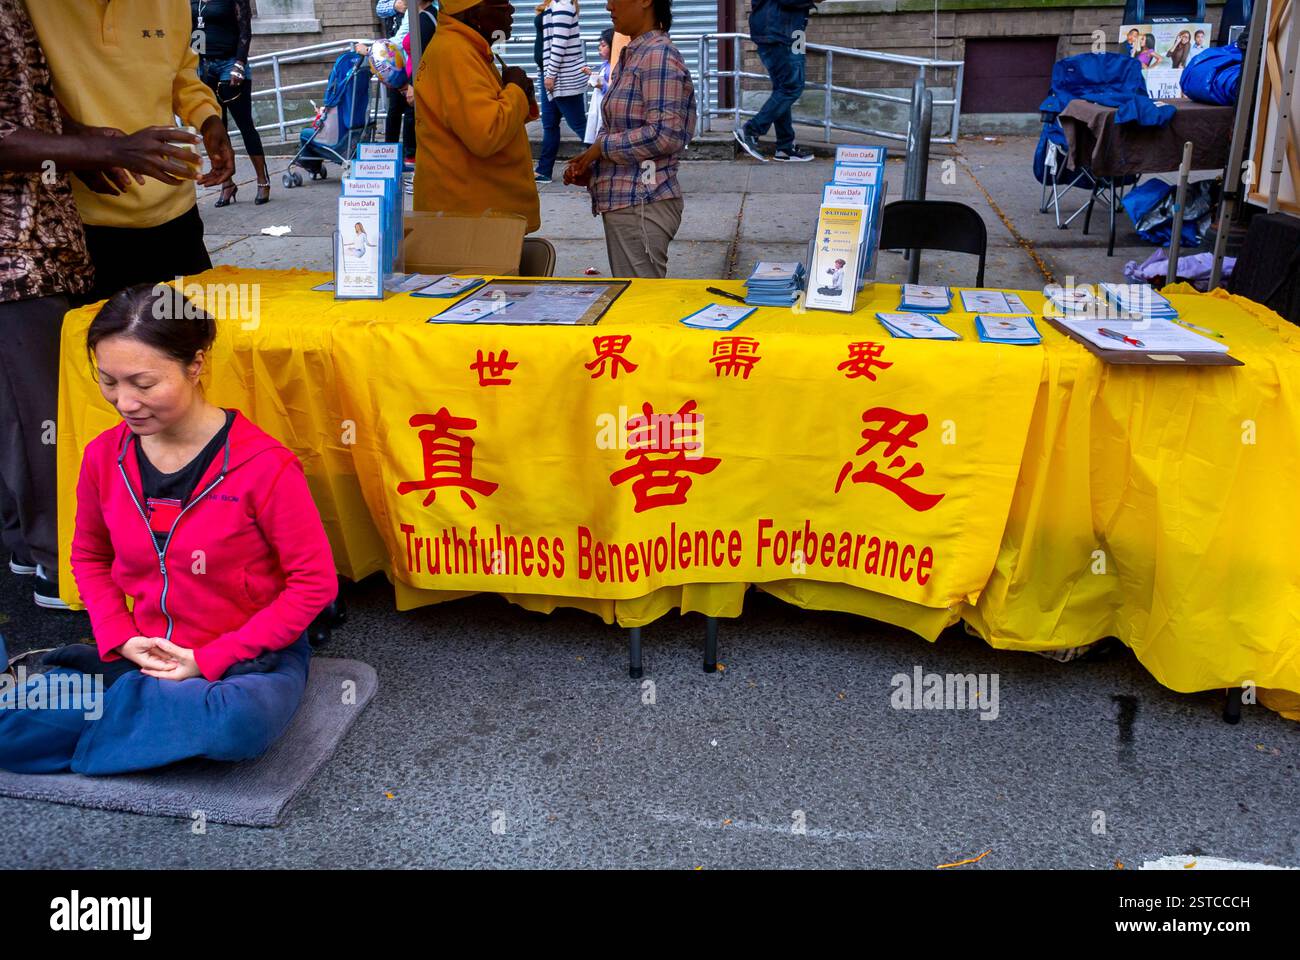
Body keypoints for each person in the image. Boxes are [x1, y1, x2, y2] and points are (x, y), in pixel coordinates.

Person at [0, 285, 338, 775]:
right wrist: (118, 637)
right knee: (8, 731)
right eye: (108, 381)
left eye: (143, 382)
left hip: (245, 662)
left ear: (196, 365)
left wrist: (210, 657)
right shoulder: (103, 456)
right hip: (143, 650)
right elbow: (89, 558)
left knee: (236, 725)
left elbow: (314, 586)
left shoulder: (265, 466)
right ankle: (142, 716)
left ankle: (108, 712)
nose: (125, 401)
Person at [0, 0, 203, 611]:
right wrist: (101, 154)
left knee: (27, 410)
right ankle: (57, 564)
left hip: (44, 242)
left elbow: (30, 101)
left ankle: (25, 541)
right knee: (41, 415)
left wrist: (83, 142)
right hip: (13, 255)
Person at [27, 1, 237, 302]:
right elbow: (24, 93)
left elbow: (181, 73)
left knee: (192, 335)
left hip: (174, 213)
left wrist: (208, 117)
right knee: (99, 341)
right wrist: (80, 146)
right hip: (84, 223)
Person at [564, 0, 695, 278]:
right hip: (628, 203)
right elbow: (623, 124)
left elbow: (664, 134)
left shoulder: (657, 55)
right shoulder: (635, 53)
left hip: (643, 203)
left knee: (642, 309)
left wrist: (602, 148)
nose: (608, 6)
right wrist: (594, 170)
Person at [413, 0, 541, 233]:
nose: (511, 10)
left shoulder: (466, 49)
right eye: (502, 4)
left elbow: (477, 119)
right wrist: (515, 89)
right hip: (471, 224)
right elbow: (487, 134)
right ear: (475, 15)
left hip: (477, 218)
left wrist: (517, 93)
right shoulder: (456, 53)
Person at [192, 0, 270, 206]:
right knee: (216, 126)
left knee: (245, 124)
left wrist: (240, 63)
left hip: (230, 63)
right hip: (204, 65)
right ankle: (227, 184)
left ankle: (262, 180)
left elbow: (245, 29)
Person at [734, 0, 816, 163]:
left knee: (783, 88)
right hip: (781, 33)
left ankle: (785, 147)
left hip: (789, 32)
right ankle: (751, 130)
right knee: (792, 87)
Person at [534, 0, 588, 183]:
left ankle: (605, 163)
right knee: (549, 124)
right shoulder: (554, 4)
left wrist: (550, 75)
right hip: (549, 75)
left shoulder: (564, 6)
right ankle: (544, 171)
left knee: (580, 125)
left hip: (561, 78)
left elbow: (559, 44)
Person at [582, 27, 615, 144]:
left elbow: (610, 88)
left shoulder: (614, 67)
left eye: (603, 45)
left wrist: (599, 84)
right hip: (598, 103)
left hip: (605, 105)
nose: (599, 48)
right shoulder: (605, 64)